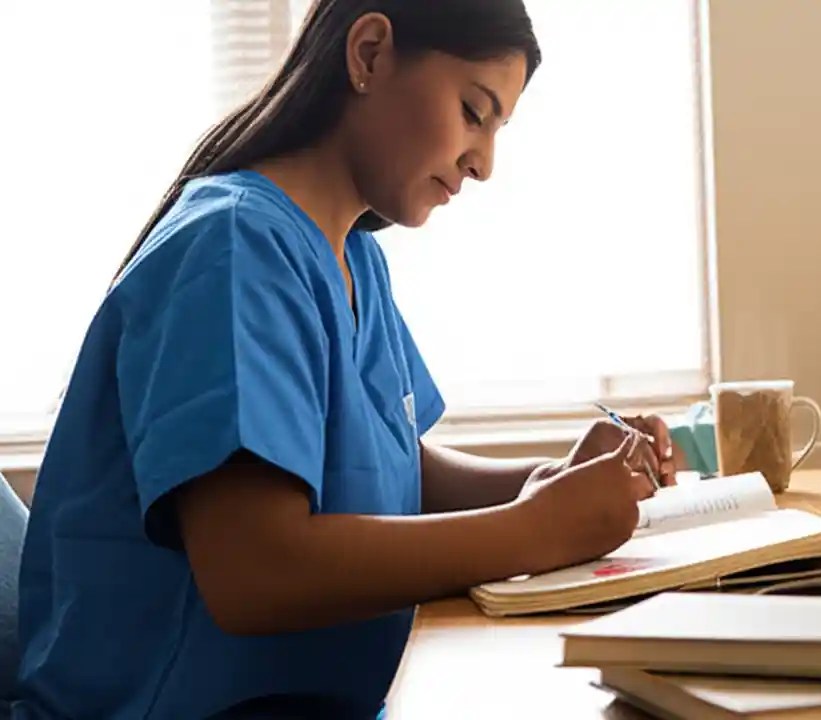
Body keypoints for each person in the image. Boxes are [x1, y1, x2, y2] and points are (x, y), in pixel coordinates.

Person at [13, 1, 677, 718]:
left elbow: (391, 465)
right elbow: (254, 569)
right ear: (368, 53)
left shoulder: (352, 255)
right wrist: (532, 528)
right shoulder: (233, 247)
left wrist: (547, 479)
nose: (483, 163)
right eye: (474, 112)